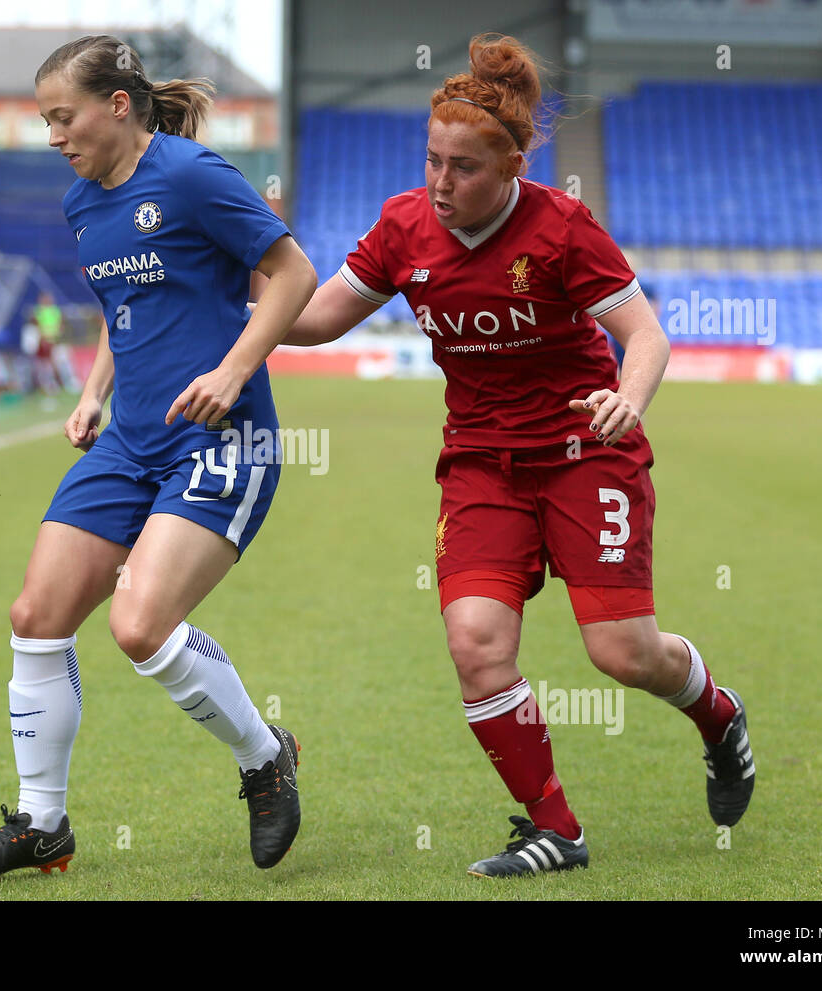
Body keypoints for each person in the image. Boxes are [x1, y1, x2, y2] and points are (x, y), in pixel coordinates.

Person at [281, 33, 754, 877]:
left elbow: (644, 334)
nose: (439, 182)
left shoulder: (564, 228)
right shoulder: (402, 227)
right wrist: (243, 289)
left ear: (510, 170)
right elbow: (314, 320)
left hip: (585, 454)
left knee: (623, 654)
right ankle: (556, 828)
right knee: (476, 643)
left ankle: (719, 715)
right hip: (480, 463)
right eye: (431, 160)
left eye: (461, 167)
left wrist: (627, 397)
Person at [0, 34, 318, 879]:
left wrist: (233, 368)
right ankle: (42, 823)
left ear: (118, 105)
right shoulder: (82, 201)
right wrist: (91, 390)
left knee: (139, 625)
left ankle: (265, 757)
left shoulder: (190, 174)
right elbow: (125, 307)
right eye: (44, 121)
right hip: (131, 440)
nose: (52, 136)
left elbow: (292, 274)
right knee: (36, 617)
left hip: (221, 439)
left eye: (61, 116)